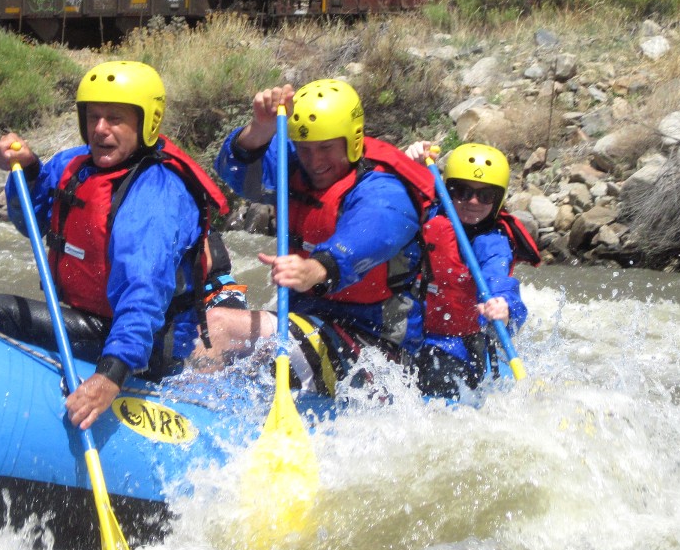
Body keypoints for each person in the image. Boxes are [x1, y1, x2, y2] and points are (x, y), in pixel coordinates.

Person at [0, 60, 245, 430]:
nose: (100, 129)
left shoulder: (155, 194)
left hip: (145, 345)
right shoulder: (75, 165)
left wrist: (110, 374)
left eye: (115, 118)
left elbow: (143, 292)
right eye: (93, 116)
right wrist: (30, 171)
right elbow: (32, 223)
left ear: (146, 123)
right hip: (98, 322)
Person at [203, 79, 436, 395]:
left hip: (376, 350)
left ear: (352, 140)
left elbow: (371, 235)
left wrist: (316, 269)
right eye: (306, 149)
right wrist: (259, 130)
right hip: (312, 322)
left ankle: (189, 412)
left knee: (219, 327)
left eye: (325, 148)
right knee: (200, 324)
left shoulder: (386, 190)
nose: (314, 161)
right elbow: (238, 175)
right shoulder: (296, 166)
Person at [402, 141, 541, 397]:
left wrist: (504, 308)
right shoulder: (426, 213)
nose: (473, 201)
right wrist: (410, 167)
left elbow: (499, 282)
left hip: (457, 345)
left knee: (433, 379)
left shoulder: (493, 243)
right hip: (406, 332)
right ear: (447, 190)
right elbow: (386, 202)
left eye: (485, 195)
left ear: (498, 199)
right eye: (462, 191)